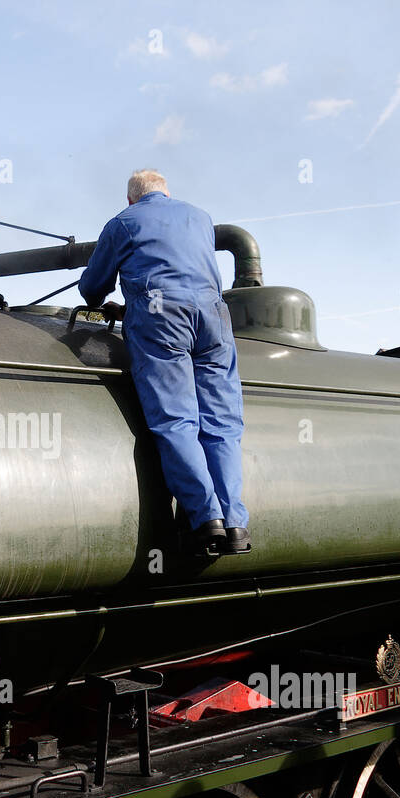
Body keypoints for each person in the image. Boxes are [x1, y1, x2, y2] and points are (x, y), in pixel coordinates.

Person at [79, 169, 251, 556]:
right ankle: (237, 524)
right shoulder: (200, 216)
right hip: (213, 317)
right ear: (168, 194)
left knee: (176, 419)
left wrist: (107, 301)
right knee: (223, 423)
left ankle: (206, 519)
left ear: (130, 199)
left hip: (161, 318)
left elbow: (93, 287)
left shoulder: (124, 221)